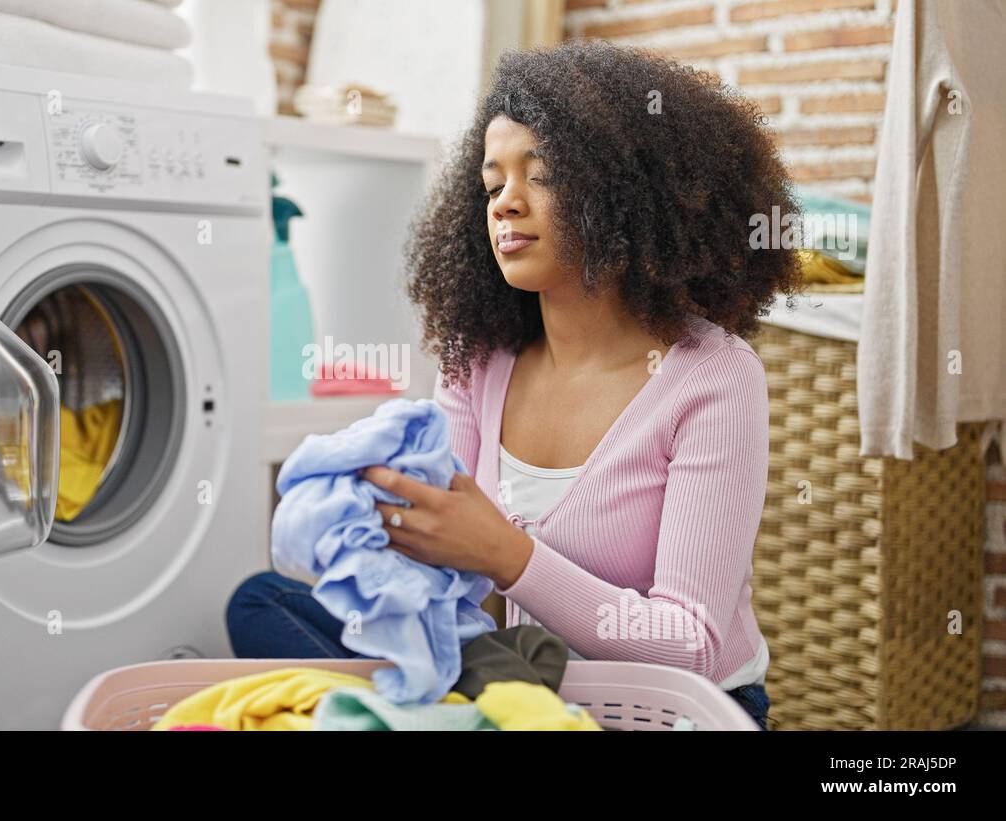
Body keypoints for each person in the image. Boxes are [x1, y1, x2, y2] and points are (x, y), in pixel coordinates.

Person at [228, 40, 803, 732]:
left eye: (542, 176)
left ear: (626, 191)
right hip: (525, 688)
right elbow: (454, 585)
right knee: (264, 601)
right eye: (492, 183)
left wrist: (507, 554)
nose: (507, 204)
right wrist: (375, 526)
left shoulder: (712, 376)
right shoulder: (479, 360)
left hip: (678, 709)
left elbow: (691, 648)